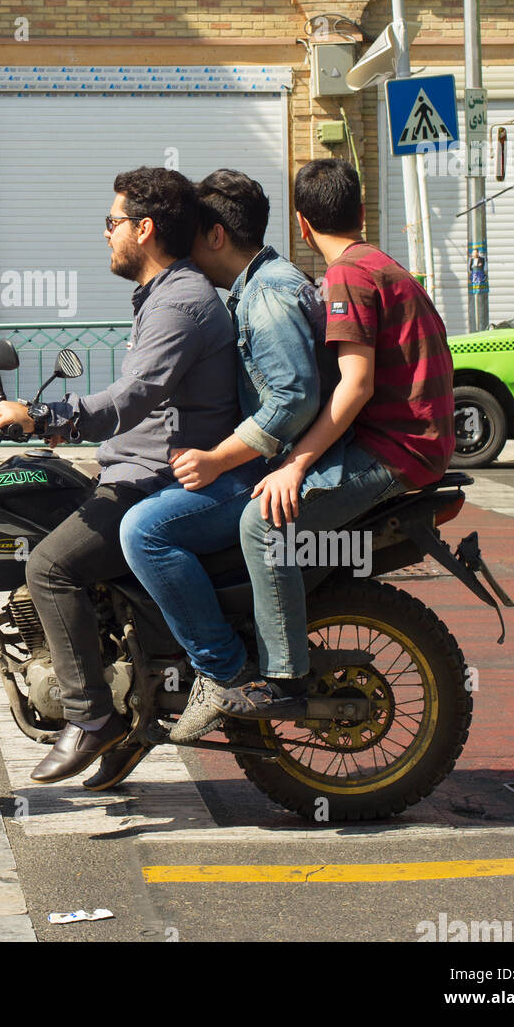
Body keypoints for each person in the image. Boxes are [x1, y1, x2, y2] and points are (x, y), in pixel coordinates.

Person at [177, 158, 455, 734]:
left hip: (398, 449)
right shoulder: (378, 264)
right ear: (360, 211)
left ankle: (279, 680)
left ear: (302, 225)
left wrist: (296, 464)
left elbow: (356, 385)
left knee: (262, 523)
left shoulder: (349, 276)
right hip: (406, 439)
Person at [0, 166, 239, 787]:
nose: (106, 234)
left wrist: (45, 415)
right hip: (137, 467)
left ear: (144, 229)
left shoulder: (179, 302)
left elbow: (134, 395)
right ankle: (131, 715)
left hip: (154, 480)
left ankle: (91, 716)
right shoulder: (164, 295)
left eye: (113, 222)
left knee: (49, 566)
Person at [119, 169, 334, 743]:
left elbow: (293, 398)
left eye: (189, 236)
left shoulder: (266, 297)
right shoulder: (253, 287)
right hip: (261, 463)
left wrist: (216, 459)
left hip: (268, 469)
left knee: (145, 532)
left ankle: (220, 670)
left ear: (215, 236)